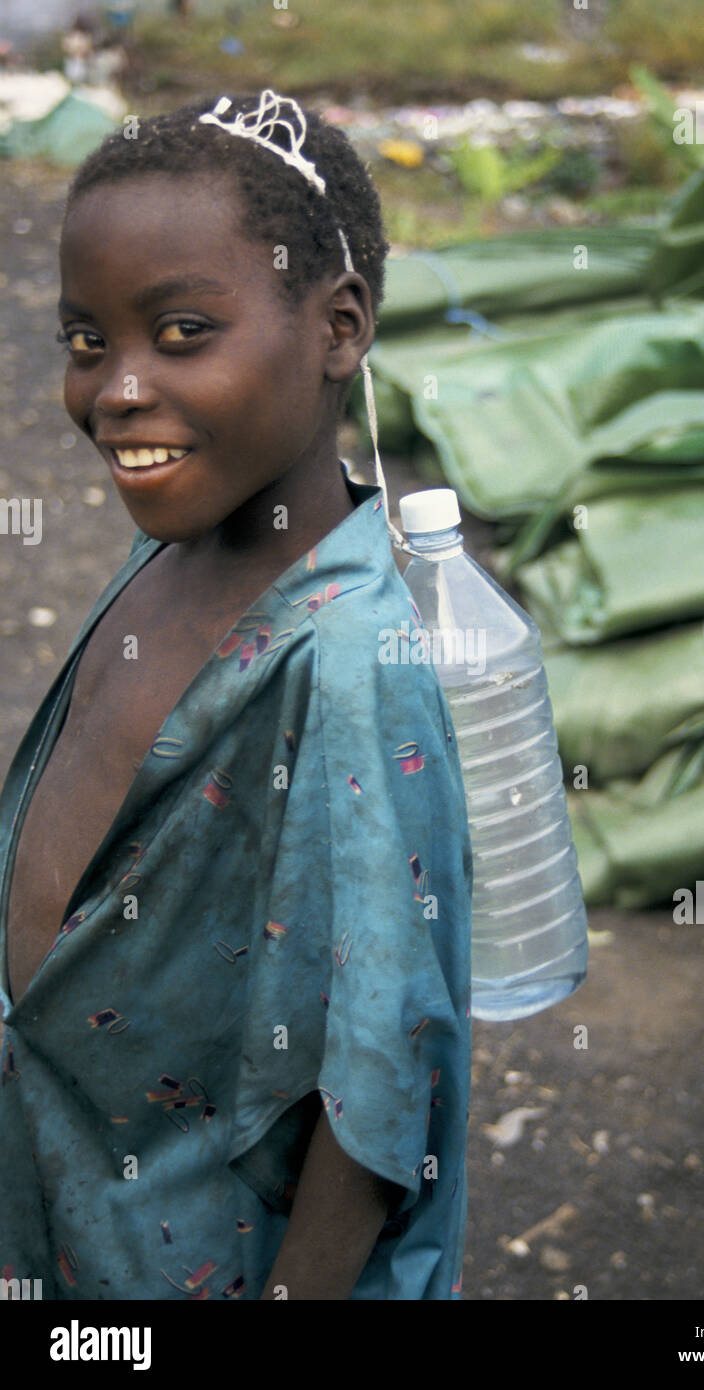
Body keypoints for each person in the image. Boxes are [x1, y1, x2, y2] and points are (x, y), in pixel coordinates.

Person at [0, 91, 473, 1301]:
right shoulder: (178, 550)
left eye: (183, 331)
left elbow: (370, 1102)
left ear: (338, 327)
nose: (115, 391)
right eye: (87, 340)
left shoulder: (350, 665)